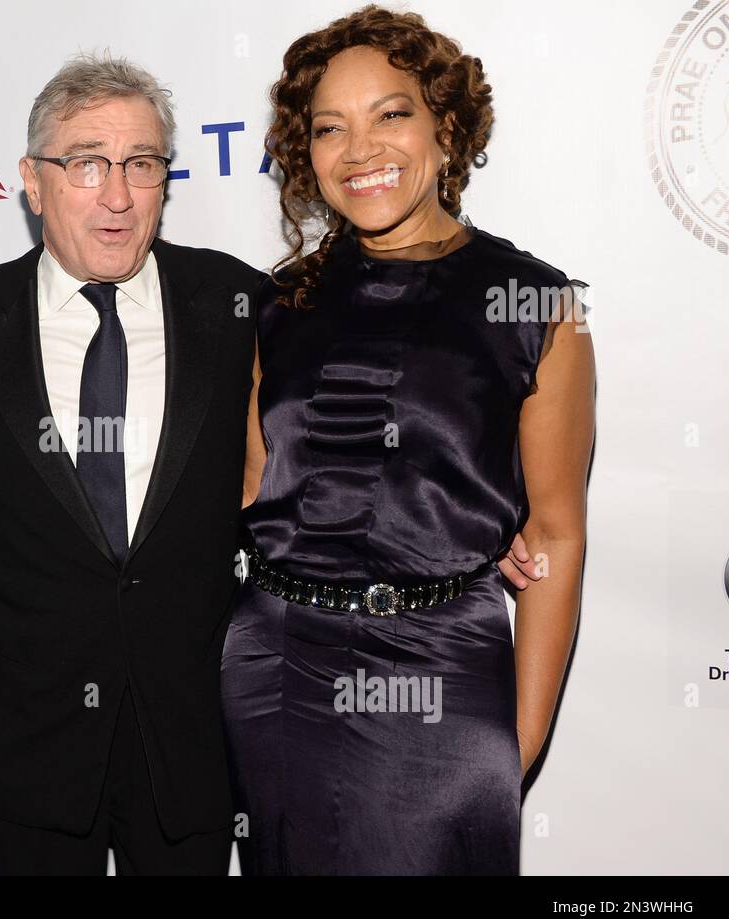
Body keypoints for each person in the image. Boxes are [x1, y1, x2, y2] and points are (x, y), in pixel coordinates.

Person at [0, 50, 545, 876]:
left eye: (142, 164)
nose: (118, 195)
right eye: (86, 164)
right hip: (32, 749)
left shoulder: (246, 303)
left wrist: (471, 526)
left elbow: (343, 432)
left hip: (199, 740)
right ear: (32, 179)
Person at [221, 5, 595, 875]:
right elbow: (251, 490)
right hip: (275, 669)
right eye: (328, 129)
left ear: (446, 126)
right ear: (303, 152)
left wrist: (518, 735)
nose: (361, 150)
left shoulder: (535, 303)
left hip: (441, 673)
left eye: (391, 113)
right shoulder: (280, 303)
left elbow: (554, 536)